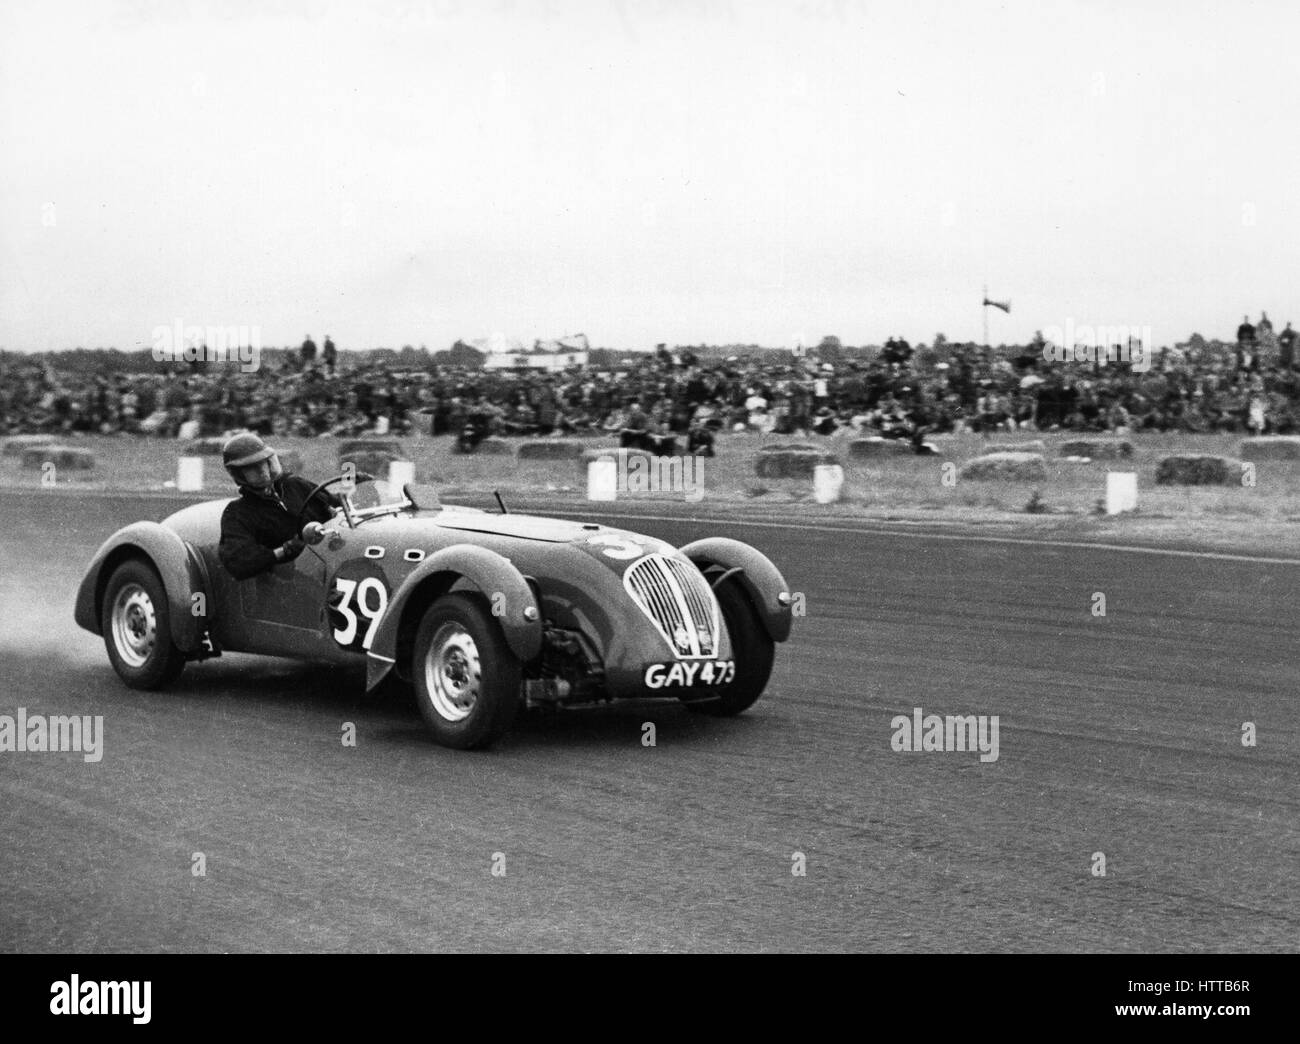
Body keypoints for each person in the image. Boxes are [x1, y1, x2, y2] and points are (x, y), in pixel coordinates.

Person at [218, 433, 339, 581]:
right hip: (293, 579)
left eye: (264, 462)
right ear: (239, 474)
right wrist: (284, 550)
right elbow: (238, 563)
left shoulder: (297, 485)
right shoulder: (238, 513)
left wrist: (355, 488)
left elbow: (335, 505)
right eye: (252, 467)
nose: (262, 470)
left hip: (329, 564)